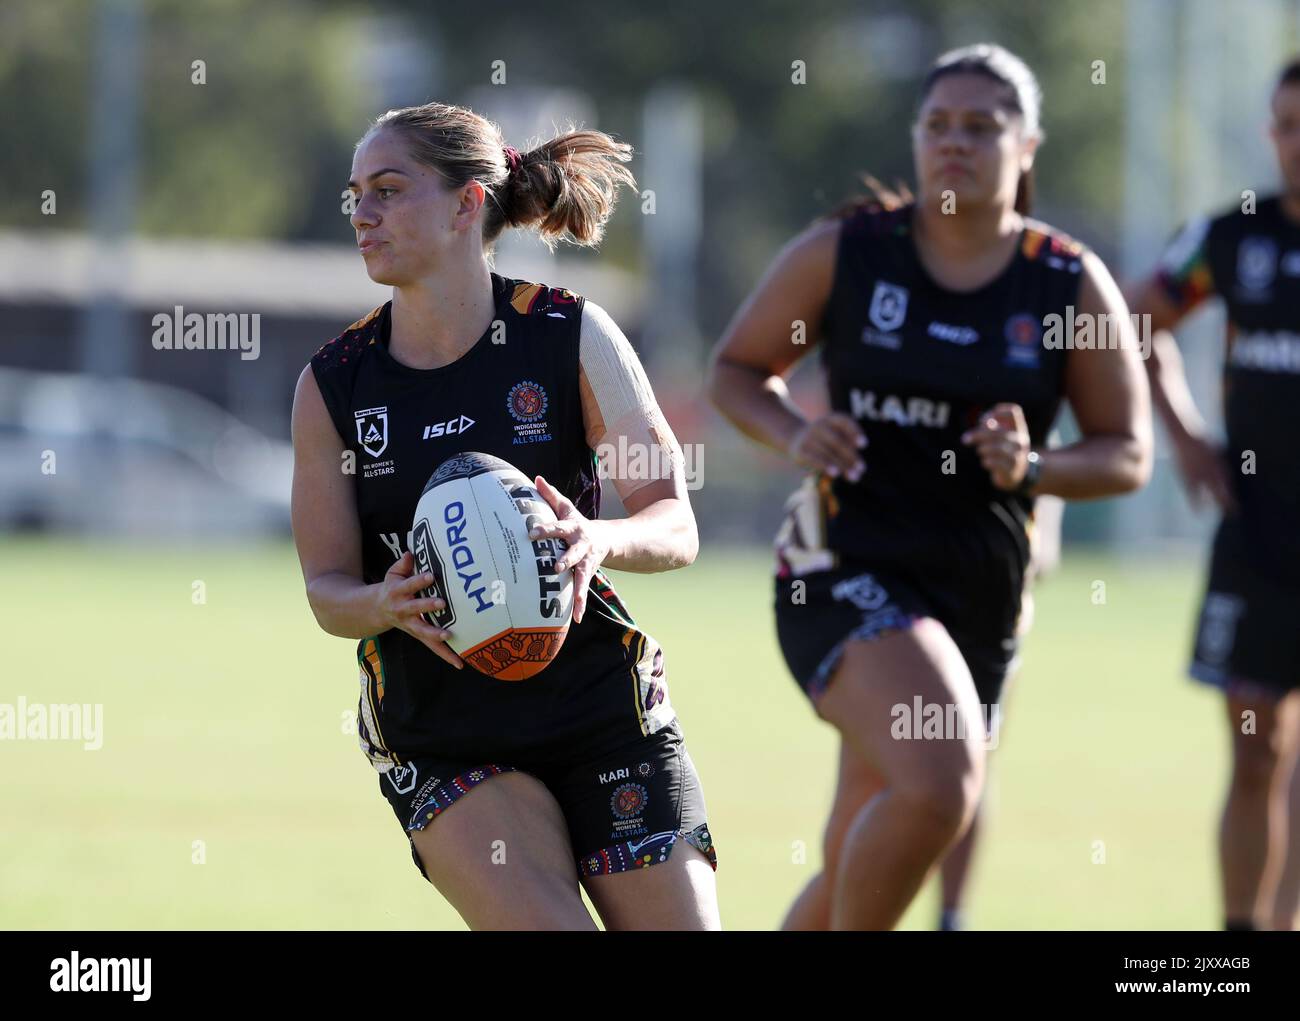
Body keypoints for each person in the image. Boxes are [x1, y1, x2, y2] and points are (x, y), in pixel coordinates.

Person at [707, 43, 1152, 930]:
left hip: (978, 596)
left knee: (856, 854)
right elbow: (737, 370)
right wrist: (800, 431)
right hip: (843, 568)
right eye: (938, 124)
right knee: (944, 776)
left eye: (982, 127)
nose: (956, 142)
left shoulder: (1065, 279)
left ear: (1028, 147)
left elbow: (1127, 454)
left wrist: (1035, 470)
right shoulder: (848, 251)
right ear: (915, 138)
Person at [290, 101, 719, 930]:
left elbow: (674, 522)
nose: (363, 214)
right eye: (355, 196)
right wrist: (383, 603)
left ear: (466, 203)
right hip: (444, 731)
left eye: (388, 189)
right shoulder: (334, 384)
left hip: (601, 710)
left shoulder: (570, 336)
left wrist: (598, 538)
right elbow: (326, 588)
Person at [1123, 58, 1300, 932]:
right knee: (1256, 742)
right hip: (1257, 530)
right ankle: (1240, 940)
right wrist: (1186, 435)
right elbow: (1133, 318)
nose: (1295, 143)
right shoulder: (1233, 236)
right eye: (1285, 124)